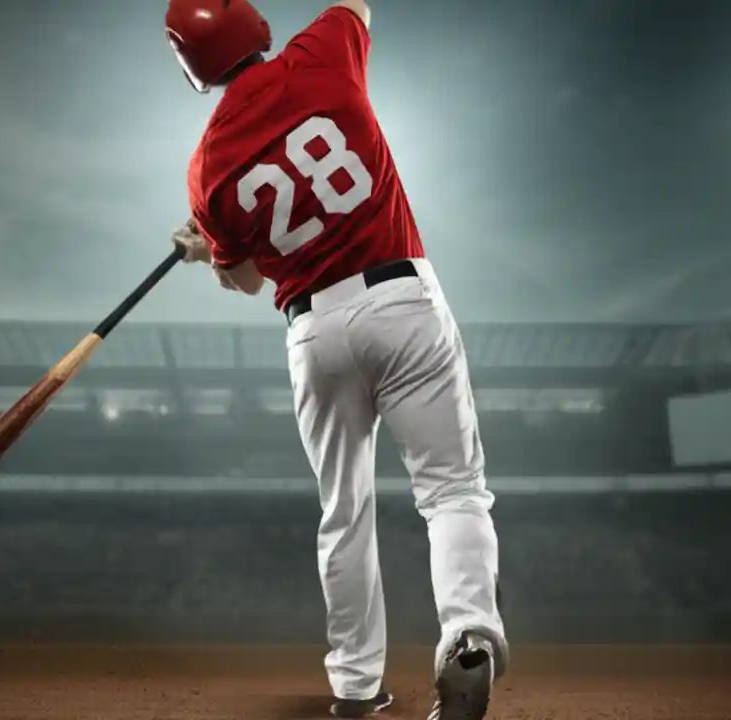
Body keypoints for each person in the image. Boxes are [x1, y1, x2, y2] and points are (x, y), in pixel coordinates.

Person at [164, 2, 507, 718]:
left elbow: (249, 278)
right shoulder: (320, 50)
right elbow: (359, 4)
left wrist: (205, 251)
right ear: (252, 23)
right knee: (451, 492)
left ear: (189, 64)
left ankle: (354, 689)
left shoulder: (208, 167)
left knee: (343, 512)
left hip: (314, 330)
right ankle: (469, 636)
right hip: (401, 298)